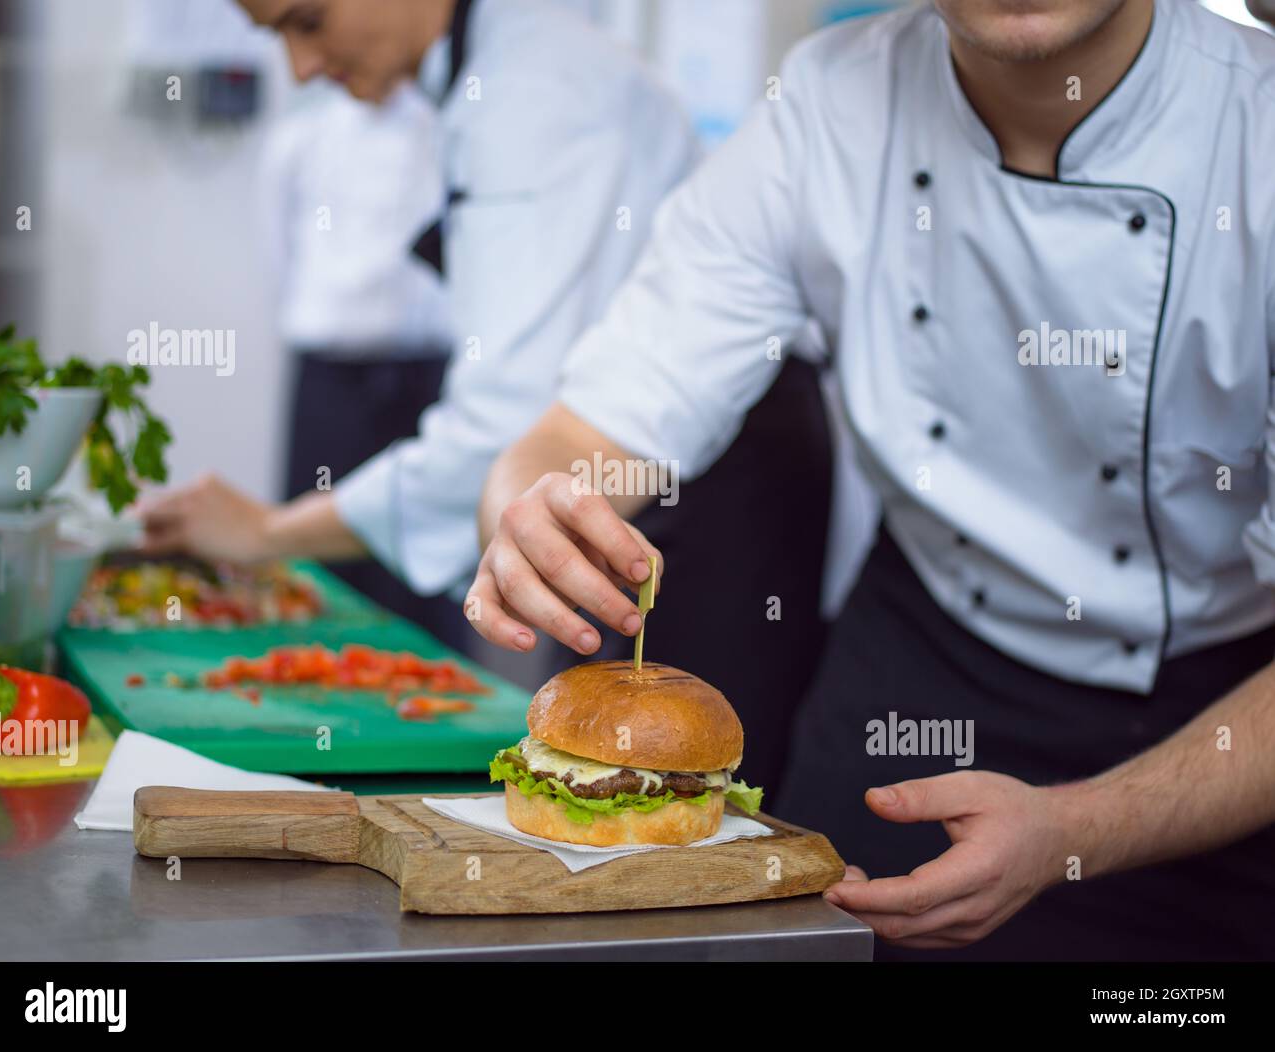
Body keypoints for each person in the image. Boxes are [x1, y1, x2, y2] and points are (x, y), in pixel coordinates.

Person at [466, 0, 1275, 961]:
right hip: (925, 651)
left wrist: (1078, 831)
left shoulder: (1254, 129)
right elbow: (600, 418)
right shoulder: (825, 103)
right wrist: (531, 508)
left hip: (1220, 710)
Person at [141, 0, 854, 791]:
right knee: (617, 785)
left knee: (681, 804)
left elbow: (500, 434)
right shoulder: (491, 73)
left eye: (304, 22)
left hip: (711, 486)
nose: (302, 68)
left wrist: (270, 532)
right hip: (638, 475)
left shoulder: (535, 91)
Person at [260, 81, 462, 644]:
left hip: (427, 373)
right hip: (332, 374)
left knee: (426, 561)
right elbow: (279, 254)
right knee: (318, 564)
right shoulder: (302, 136)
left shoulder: (450, 131)